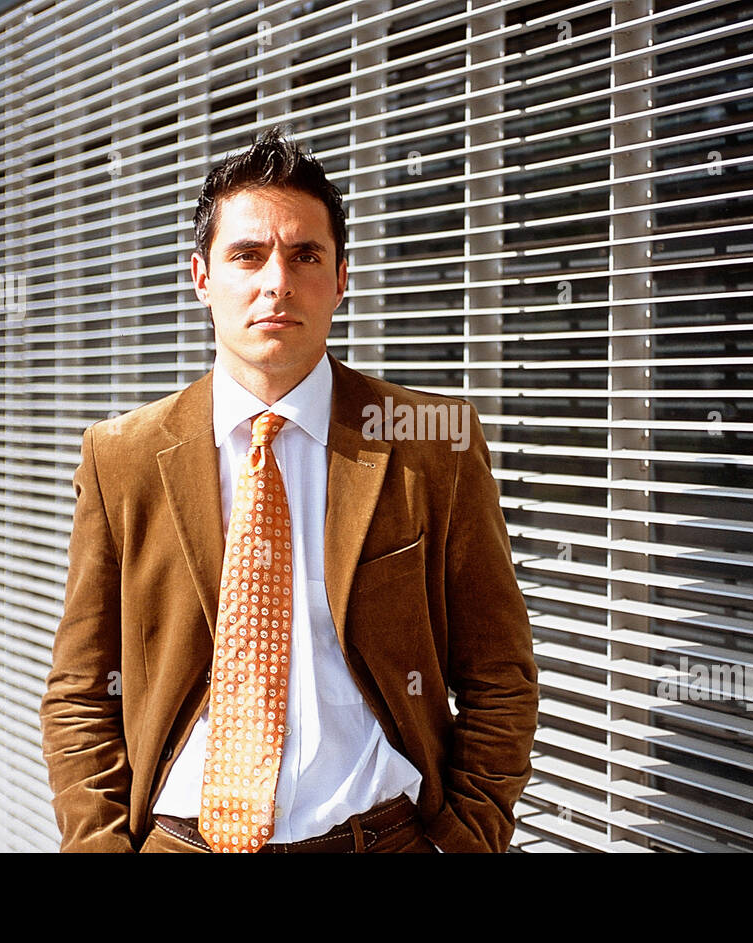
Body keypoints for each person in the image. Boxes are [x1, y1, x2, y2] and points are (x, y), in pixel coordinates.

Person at [39, 127, 538, 853]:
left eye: (305, 254)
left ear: (341, 278)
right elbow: (81, 693)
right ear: (201, 276)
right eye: (247, 254)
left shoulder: (432, 444)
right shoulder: (125, 458)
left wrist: (464, 838)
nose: (277, 280)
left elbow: (500, 675)